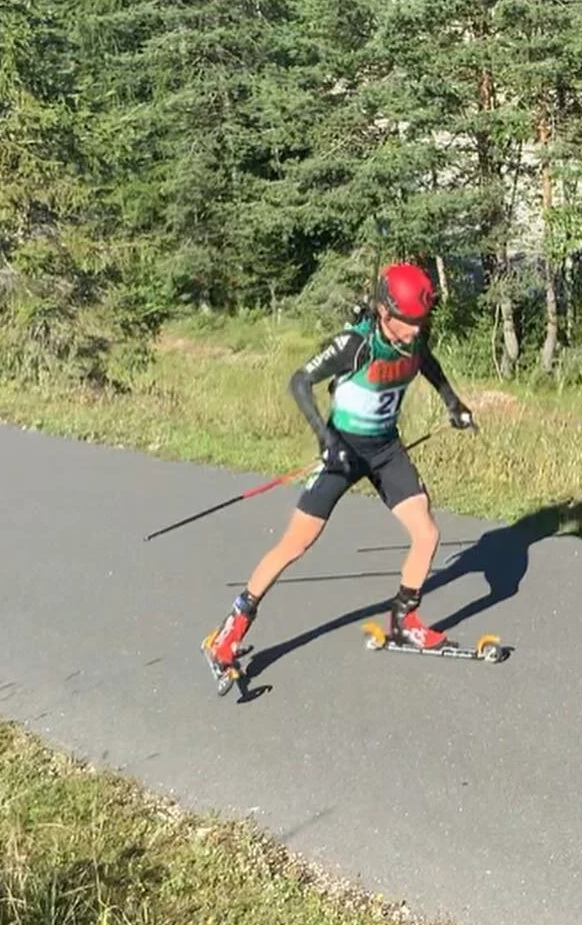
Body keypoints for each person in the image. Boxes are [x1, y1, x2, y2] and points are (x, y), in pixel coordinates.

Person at [202, 261, 475, 679]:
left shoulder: (415, 338)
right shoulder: (355, 344)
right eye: (409, 322)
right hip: (342, 450)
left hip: (385, 450)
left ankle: (404, 622)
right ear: (385, 313)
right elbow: (299, 381)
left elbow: (426, 362)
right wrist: (325, 441)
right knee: (295, 545)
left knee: (427, 533)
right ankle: (229, 632)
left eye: (422, 321)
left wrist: (452, 402)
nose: (417, 330)